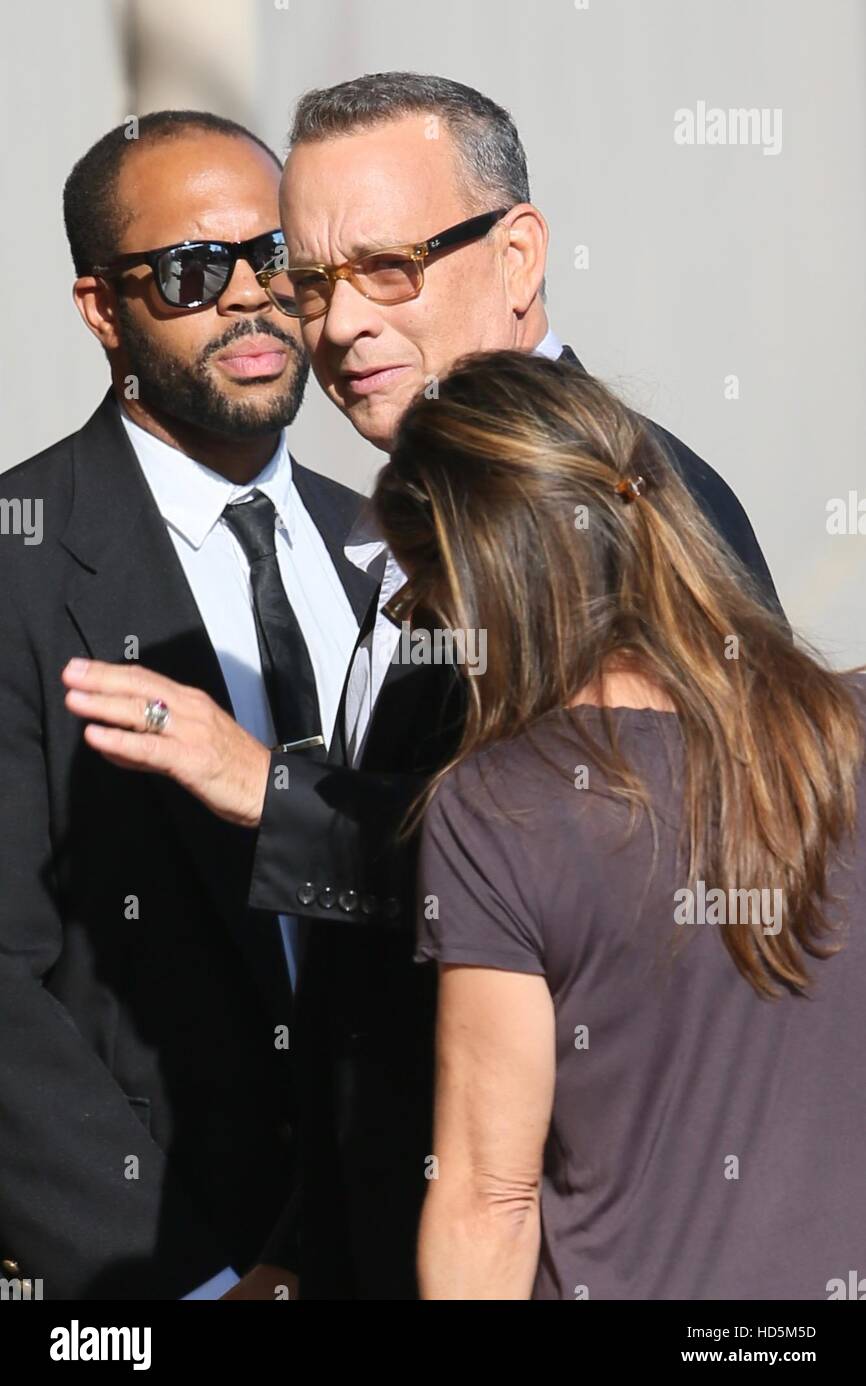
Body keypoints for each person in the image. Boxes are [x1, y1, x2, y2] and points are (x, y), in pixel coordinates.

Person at [63, 73, 784, 1299]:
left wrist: (273, 794)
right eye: (312, 279)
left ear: (517, 257)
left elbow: (632, 879)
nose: (335, 325)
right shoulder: (408, 515)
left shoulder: (625, 509)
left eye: (389, 266)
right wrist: (312, 1239)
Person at [371, 349, 865, 1300]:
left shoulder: (500, 808)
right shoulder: (846, 737)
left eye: (421, 598)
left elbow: (489, 1199)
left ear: (485, 582)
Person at [0, 110, 368, 1299]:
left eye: (276, 259)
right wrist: (190, 1286)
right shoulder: (23, 564)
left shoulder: (398, 546)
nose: (251, 298)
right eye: (191, 272)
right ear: (103, 309)